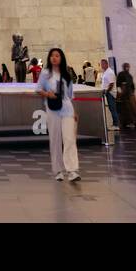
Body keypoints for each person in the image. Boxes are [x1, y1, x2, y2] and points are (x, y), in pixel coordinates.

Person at [36, 47, 79, 182]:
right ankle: (58, 170)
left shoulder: (67, 74)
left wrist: (75, 111)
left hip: (67, 109)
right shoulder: (45, 73)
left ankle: (72, 170)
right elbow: (38, 89)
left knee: (69, 138)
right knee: (55, 139)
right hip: (53, 108)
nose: (54, 58)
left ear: (61, 58)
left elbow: (70, 95)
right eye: (52, 56)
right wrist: (48, 94)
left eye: (57, 56)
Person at [116, 63, 136, 129]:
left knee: (133, 108)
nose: (127, 68)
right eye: (126, 67)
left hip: (129, 94)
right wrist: (120, 92)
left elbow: (132, 86)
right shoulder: (121, 74)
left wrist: (132, 92)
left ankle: (135, 122)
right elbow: (118, 85)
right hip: (123, 94)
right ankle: (126, 122)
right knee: (125, 109)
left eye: (127, 67)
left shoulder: (129, 75)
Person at [97, 59, 119, 129]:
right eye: (101, 64)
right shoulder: (106, 72)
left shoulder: (109, 72)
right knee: (111, 108)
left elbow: (111, 84)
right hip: (108, 92)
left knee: (113, 109)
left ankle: (116, 125)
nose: (101, 65)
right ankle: (115, 124)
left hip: (110, 93)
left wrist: (107, 91)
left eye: (102, 64)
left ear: (106, 64)